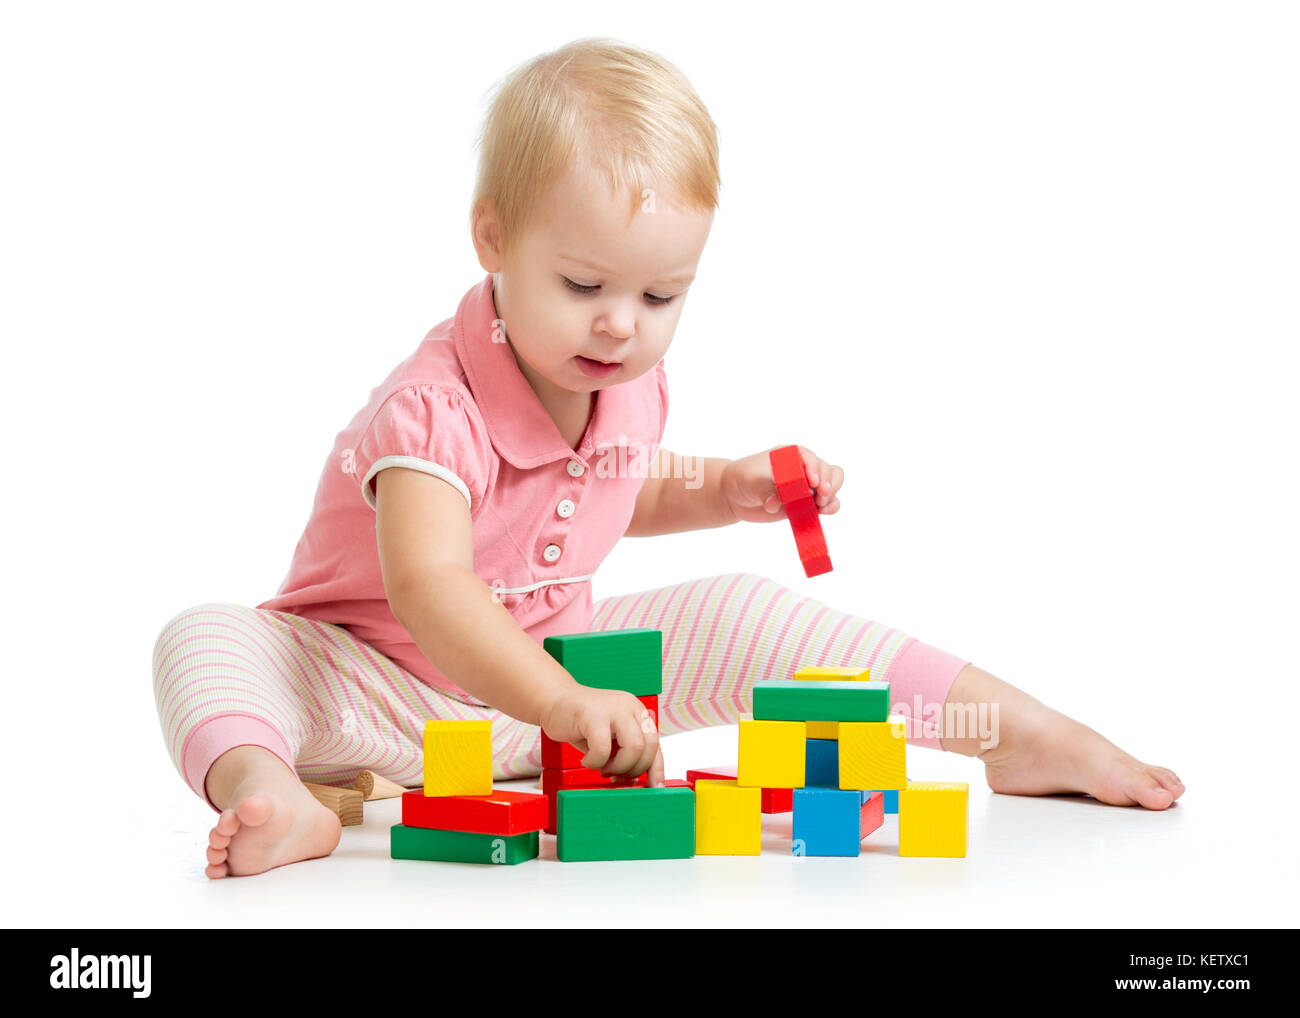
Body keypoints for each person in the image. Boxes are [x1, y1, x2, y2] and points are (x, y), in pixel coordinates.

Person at [151, 37, 1184, 880]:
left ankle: (1014, 731)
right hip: (373, 695)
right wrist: (554, 703)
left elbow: (608, 486)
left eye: (659, 297)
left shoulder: (626, 385)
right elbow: (430, 585)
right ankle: (268, 787)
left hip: (569, 693)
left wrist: (723, 487)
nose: (618, 327)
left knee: (749, 606)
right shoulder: (430, 411)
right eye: (584, 284)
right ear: (493, 241)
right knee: (206, 638)